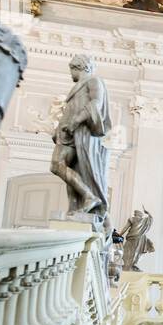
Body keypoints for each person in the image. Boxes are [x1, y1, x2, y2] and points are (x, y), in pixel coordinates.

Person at [51, 54, 112, 220]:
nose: (71, 73)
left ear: (80, 67)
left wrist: (75, 121)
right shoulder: (79, 85)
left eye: (72, 69)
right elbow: (71, 109)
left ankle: (89, 196)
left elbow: (96, 103)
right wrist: (58, 128)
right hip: (67, 132)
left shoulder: (93, 81)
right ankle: (74, 207)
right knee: (70, 168)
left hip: (78, 131)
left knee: (56, 165)